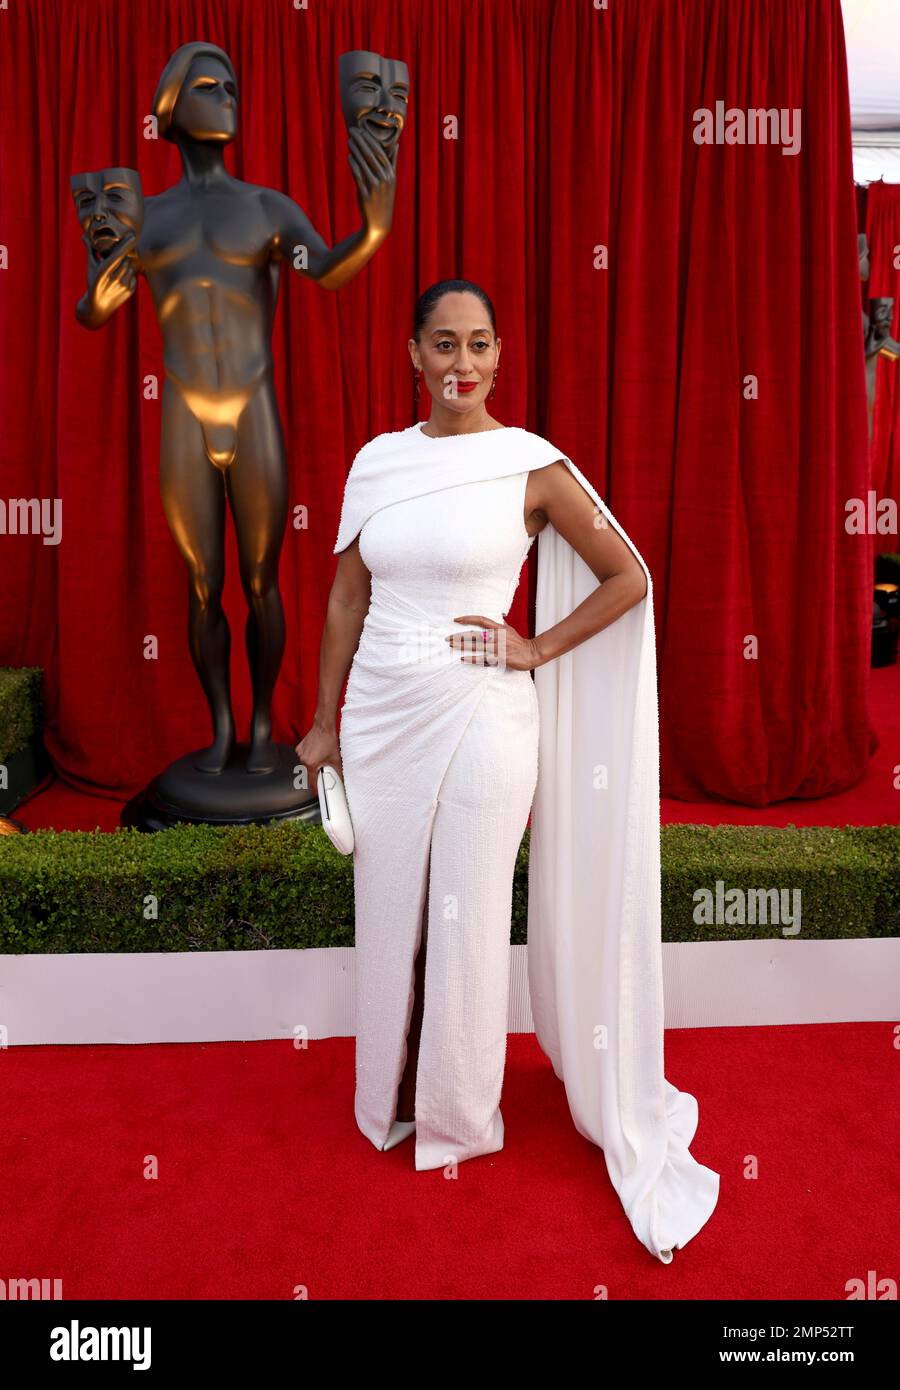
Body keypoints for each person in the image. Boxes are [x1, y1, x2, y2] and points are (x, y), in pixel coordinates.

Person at [296, 279, 720, 1263]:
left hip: (487, 712)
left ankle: (459, 1113)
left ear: (497, 353)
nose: (462, 362)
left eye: (479, 343)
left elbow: (629, 577)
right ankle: (389, 1098)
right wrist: (322, 723)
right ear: (412, 353)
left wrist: (534, 647)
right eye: (443, 342)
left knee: (470, 913)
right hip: (381, 717)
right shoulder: (378, 464)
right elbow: (344, 599)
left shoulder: (532, 464)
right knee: (389, 904)